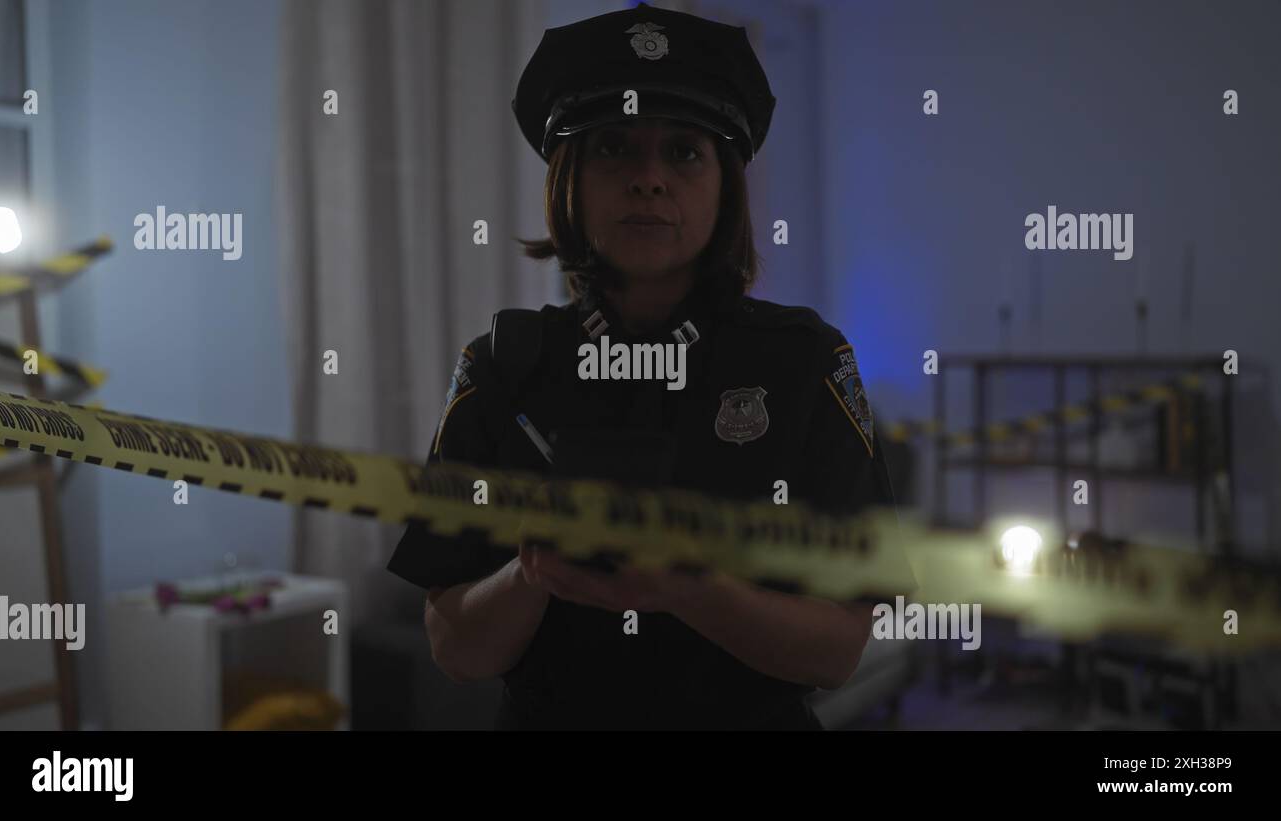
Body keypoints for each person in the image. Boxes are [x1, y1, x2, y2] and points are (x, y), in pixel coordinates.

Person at [388, 2, 912, 730]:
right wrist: (532, 571)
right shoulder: (500, 370)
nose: (649, 178)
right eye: (613, 147)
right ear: (567, 180)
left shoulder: (806, 363)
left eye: (684, 151)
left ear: (726, 183)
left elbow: (837, 650)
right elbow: (455, 647)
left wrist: (690, 587)